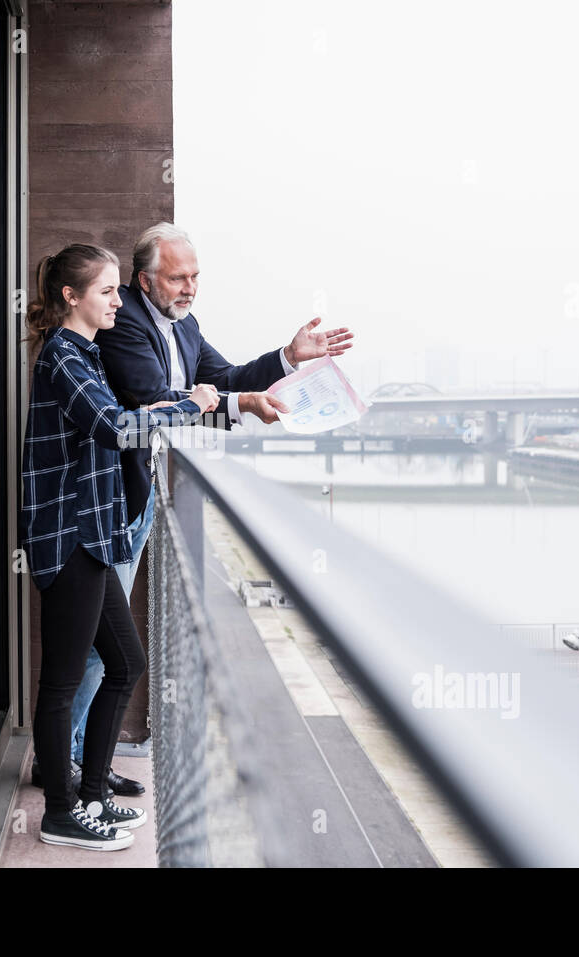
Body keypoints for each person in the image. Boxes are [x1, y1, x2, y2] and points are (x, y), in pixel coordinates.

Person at [34, 222, 355, 795]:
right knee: (84, 657)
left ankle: (85, 771)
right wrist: (214, 403)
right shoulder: (119, 324)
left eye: (196, 277)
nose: (190, 287)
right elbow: (146, 399)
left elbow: (221, 378)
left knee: (110, 655)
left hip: (111, 509)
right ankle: (71, 768)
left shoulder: (182, 328)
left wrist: (285, 360)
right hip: (94, 515)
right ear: (143, 280)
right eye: (179, 277)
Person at [21, 243, 218, 850]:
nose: (117, 301)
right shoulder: (63, 357)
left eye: (117, 290)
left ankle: (92, 794)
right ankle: (61, 813)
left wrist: (163, 407)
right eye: (107, 292)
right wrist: (192, 404)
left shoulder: (86, 355)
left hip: (94, 535)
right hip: (70, 537)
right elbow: (113, 427)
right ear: (71, 297)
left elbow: (115, 417)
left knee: (126, 663)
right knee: (59, 684)